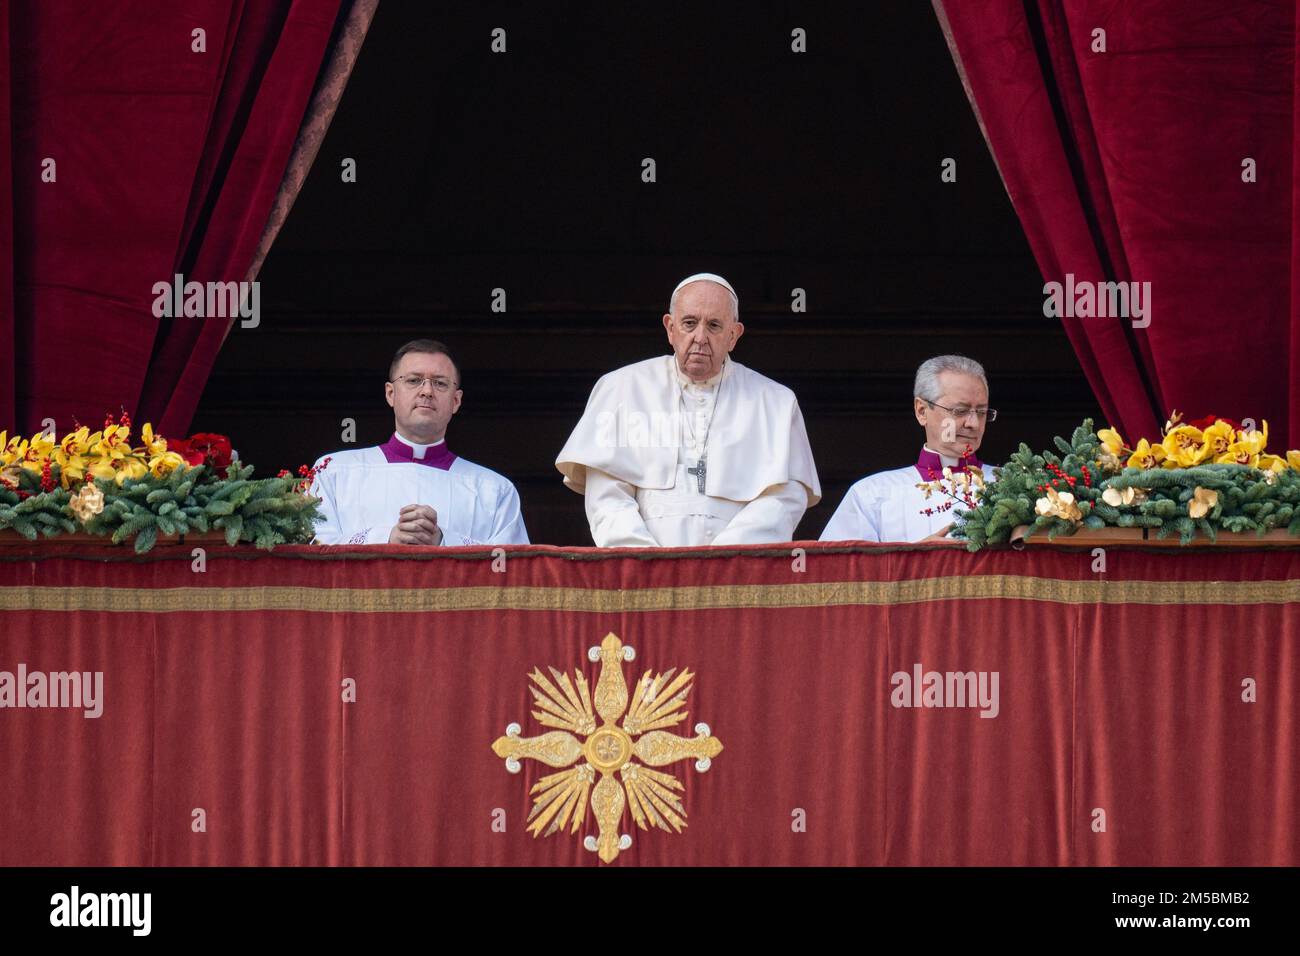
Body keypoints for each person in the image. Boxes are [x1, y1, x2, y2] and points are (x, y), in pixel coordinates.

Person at [556, 273, 820, 546]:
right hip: (643, 573)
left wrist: (722, 562)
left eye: (714, 325)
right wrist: (647, 563)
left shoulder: (775, 401)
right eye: (689, 323)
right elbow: (607, 497)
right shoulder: (620, 389)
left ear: (733, 335)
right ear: (670, 328)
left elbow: (784, 498)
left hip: (736, 575)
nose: (700, 337)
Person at [309, 339, 528, 545]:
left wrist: (444, 541)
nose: (426, 391)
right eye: (414, 380)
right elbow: (309, 554)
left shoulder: (494, 490)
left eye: (440, 383)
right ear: (390, 393)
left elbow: (512, 572)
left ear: (456, 400)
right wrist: (385, 538)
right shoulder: (334, 472)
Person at [820, 354, 997, 542]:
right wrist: (914, 560)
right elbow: (835, 568)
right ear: (921, 411)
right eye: (960, 411)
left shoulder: (1017, 488)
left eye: (982, 412)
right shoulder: (872, 494)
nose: (974, 424)